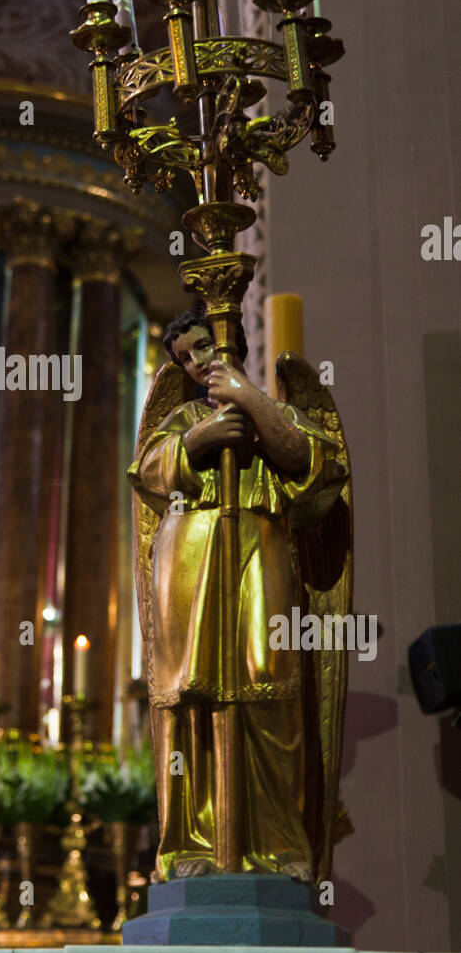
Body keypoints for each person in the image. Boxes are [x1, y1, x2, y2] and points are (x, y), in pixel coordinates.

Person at [128, 301, 349, 881]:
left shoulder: (273, 411)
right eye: (185, 358)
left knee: (268, 684)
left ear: (232, 342)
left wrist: (250, 402)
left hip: (259, 543)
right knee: (192, 700)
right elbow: (148, 473)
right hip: (190, 559)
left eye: (204, 347)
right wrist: (197, 442)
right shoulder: (181, 421)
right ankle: (195, 844)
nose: (198, 363)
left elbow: (314, 467)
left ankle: (278, 847)